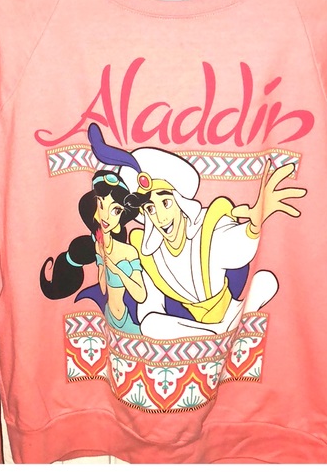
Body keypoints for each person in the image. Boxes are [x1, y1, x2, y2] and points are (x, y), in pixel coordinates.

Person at [88, 123, 306, 339]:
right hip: (194, 324)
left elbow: (235, 246)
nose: (160, 218)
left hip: (233, 311)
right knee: (150, 324)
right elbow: (149, 304)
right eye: (150, 209)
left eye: (166, 203)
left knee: (266, 281)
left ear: (180, 202)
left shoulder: (206, 228)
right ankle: (219, 334)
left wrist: (254, 226)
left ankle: (221, 332)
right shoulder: (149, 251)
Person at [39, 170, 146, 334]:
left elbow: (141, 295)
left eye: (116, 210)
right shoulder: (98, 247)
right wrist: (102, 259)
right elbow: (103, 288)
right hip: (108, 317)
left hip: (126, 321)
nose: (106, 216)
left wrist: (116, 269)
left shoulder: (128, 251)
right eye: (101, 205)